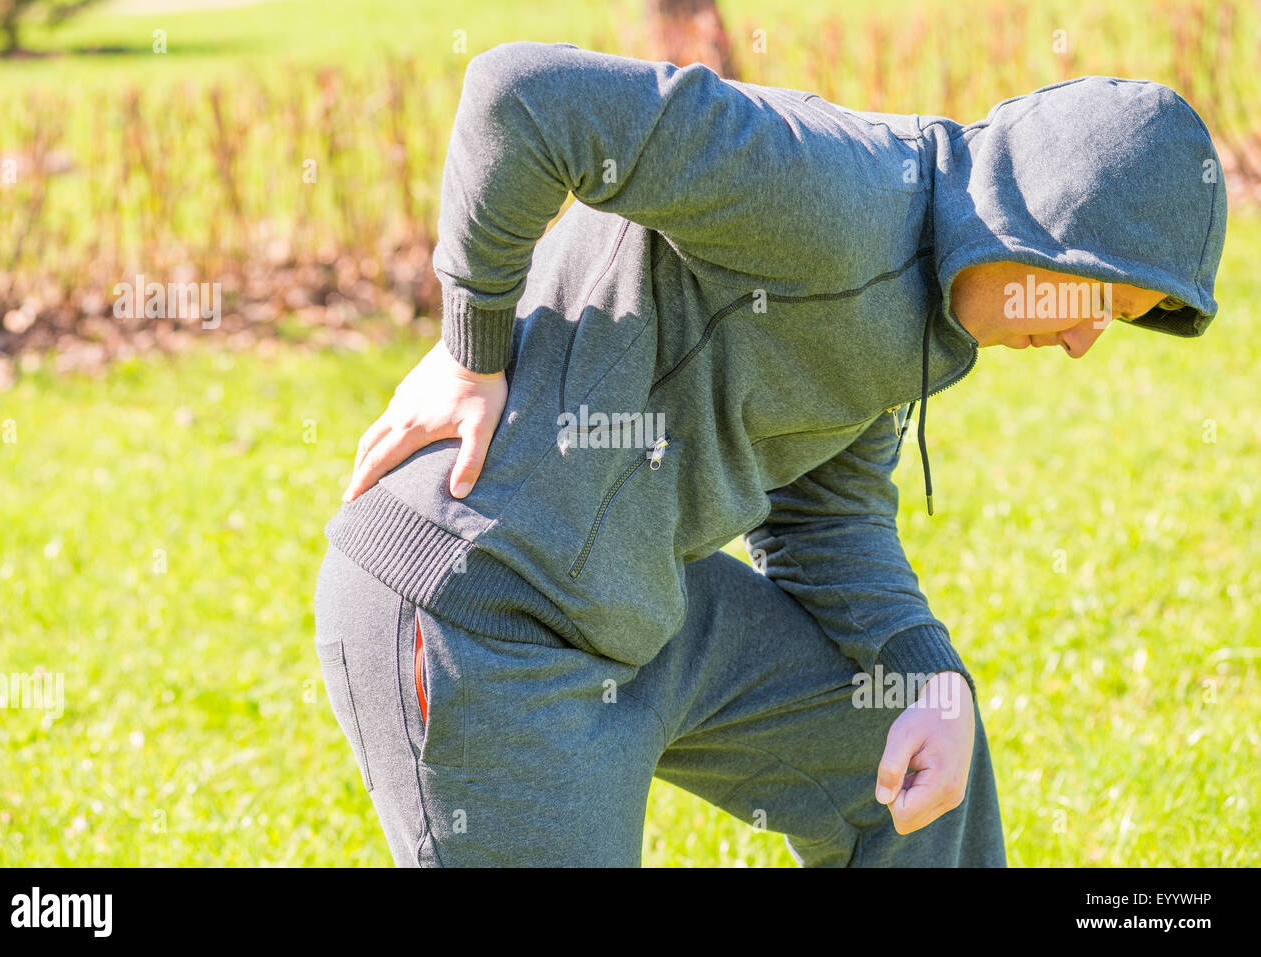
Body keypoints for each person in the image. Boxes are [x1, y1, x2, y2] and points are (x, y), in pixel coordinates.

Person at [313, 41, 1226, 866]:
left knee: (916, 742)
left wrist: (927, 668)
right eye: (1101, 304)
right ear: (1053, 218)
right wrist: (474, 348)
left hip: (641, 611)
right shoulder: (832, 189)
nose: (1081, 345)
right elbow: (522, 95)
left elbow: (827, 515)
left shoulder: (927, 311)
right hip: (483, 609)